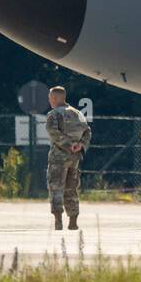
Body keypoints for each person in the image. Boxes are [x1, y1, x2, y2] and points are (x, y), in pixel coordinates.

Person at [45, 86, 91, 230]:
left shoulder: (53, 114)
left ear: (54, 98)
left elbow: (53, 132)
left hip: (58, 157)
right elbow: (87, 131)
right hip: (74, 158)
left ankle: (58, 220)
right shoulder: (78, 113)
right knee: (71, 188)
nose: (49, 100)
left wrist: (68, 144)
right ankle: (73, 221)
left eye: (50, 97)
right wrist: (80, 145)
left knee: (56, 187)